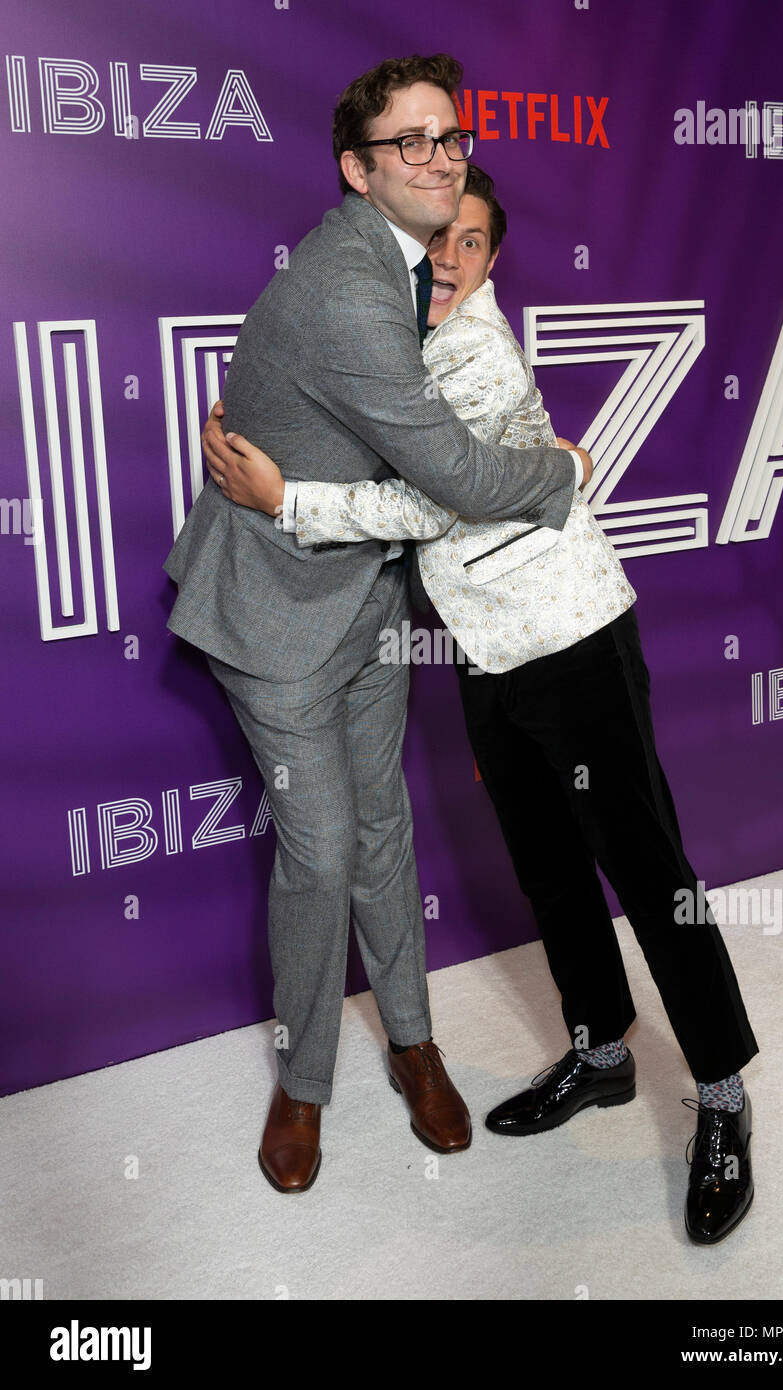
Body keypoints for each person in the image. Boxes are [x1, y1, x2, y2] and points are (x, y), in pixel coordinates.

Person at [204, 164, 758, 1244]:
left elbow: (425, 493)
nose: (449, 262)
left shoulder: (475, 351)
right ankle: (601, 1052)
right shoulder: (387, 337)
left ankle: (724, 1096)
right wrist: (252, 412)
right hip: (485, 652)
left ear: (492, 259)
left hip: (571, 635)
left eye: (471, 245)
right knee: (547, 863)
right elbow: (335, 402)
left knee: (648, 870)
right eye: (435, 243)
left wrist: (286, 498)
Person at [163, 53, 585, 1195]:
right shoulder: (354, 287)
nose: (440, 157)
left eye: (449, 136)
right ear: (356, 170)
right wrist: (557, 472)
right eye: (411, 142)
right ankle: (303, 1086)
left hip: (364, 591)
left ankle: (412, 1039)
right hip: (277, 613)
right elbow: (448, 469)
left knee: (384, 827)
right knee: (324, 849)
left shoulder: (405, 262)